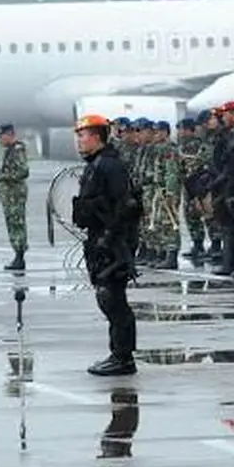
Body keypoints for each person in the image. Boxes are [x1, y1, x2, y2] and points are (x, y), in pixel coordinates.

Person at [71, 114, 143, 377]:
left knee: (113, 299)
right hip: (101, 238)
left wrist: (111, 239)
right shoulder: (96, 164)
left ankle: (123, 357)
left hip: (113, 242)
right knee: (106, 298)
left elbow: (126, 206)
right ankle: (118, 354)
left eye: (84, 135)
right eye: (78, 135)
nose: (79, 141)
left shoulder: (109, 166)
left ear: (98, 137)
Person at [0, 123, 29, 270]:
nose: (0, 140)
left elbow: (23, 171)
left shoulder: (17, 150)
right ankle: (17, 255)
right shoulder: (10, 150)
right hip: (10, 196)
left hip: (15, 195)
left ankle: (20, 257)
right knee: (12, 225)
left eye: (2, 136)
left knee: (17, 225)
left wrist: (4, 176)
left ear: (10, 134)